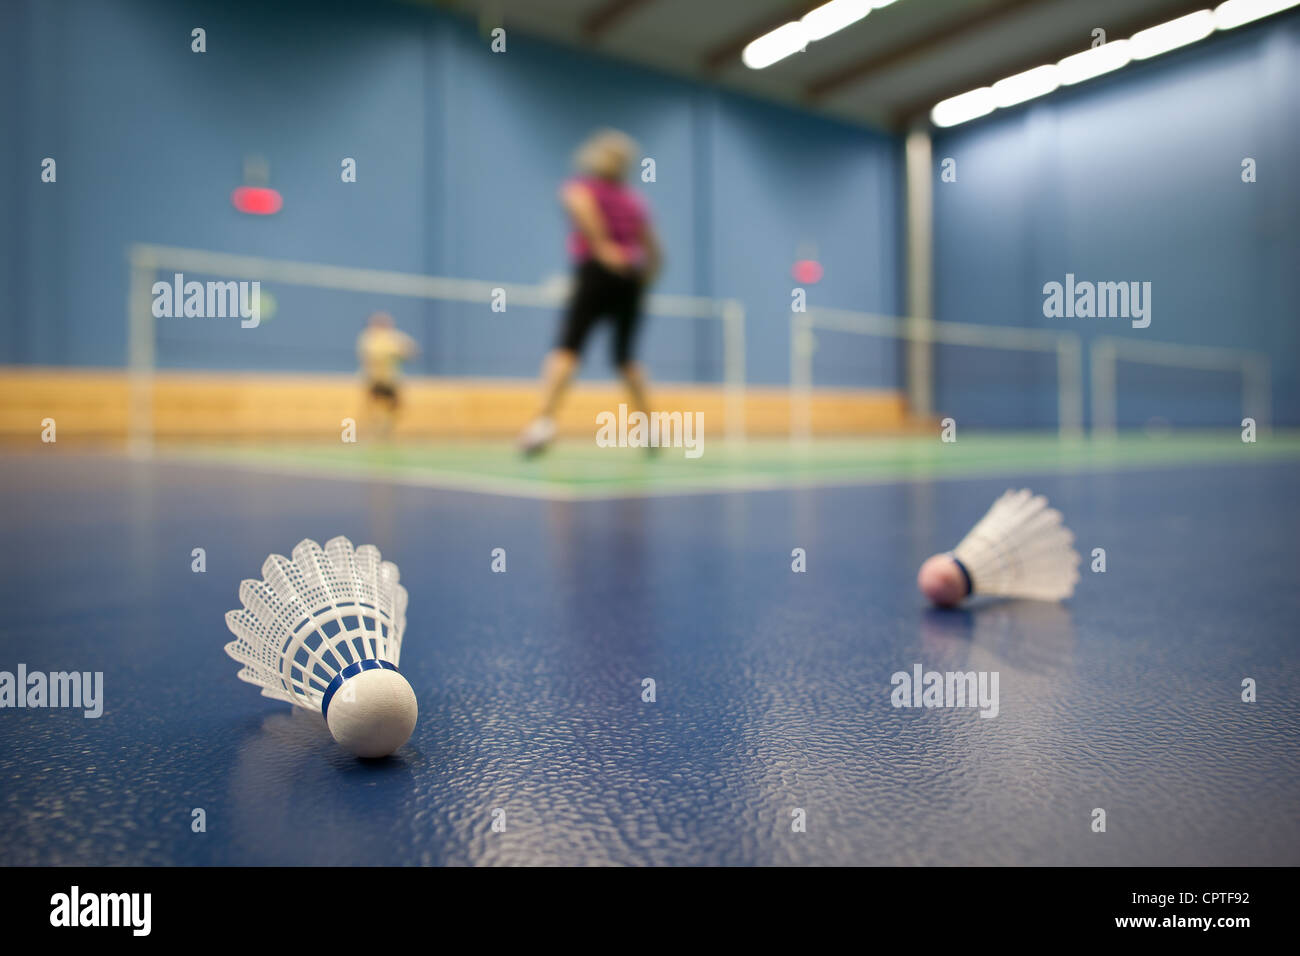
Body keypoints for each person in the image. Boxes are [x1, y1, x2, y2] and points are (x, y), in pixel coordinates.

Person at [518, 128, 662, 456]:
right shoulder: (635, 201)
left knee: (568, 348)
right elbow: (655, 253)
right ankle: (649, 430)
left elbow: (584, 216)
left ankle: (542, 424)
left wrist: (604, 251)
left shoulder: (580, 189)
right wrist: (642, 276)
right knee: (627, 358)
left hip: (597, 274)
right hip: (632, 279)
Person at [356, 311, 418, 440]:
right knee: (372, 404)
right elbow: (371, 356)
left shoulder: (395, 337)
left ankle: (386, 429)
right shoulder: (369, 338)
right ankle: (373, 429)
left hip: (391, 379)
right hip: (374, 379)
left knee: (394, 406)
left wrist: (402, 353)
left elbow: (411, 351)